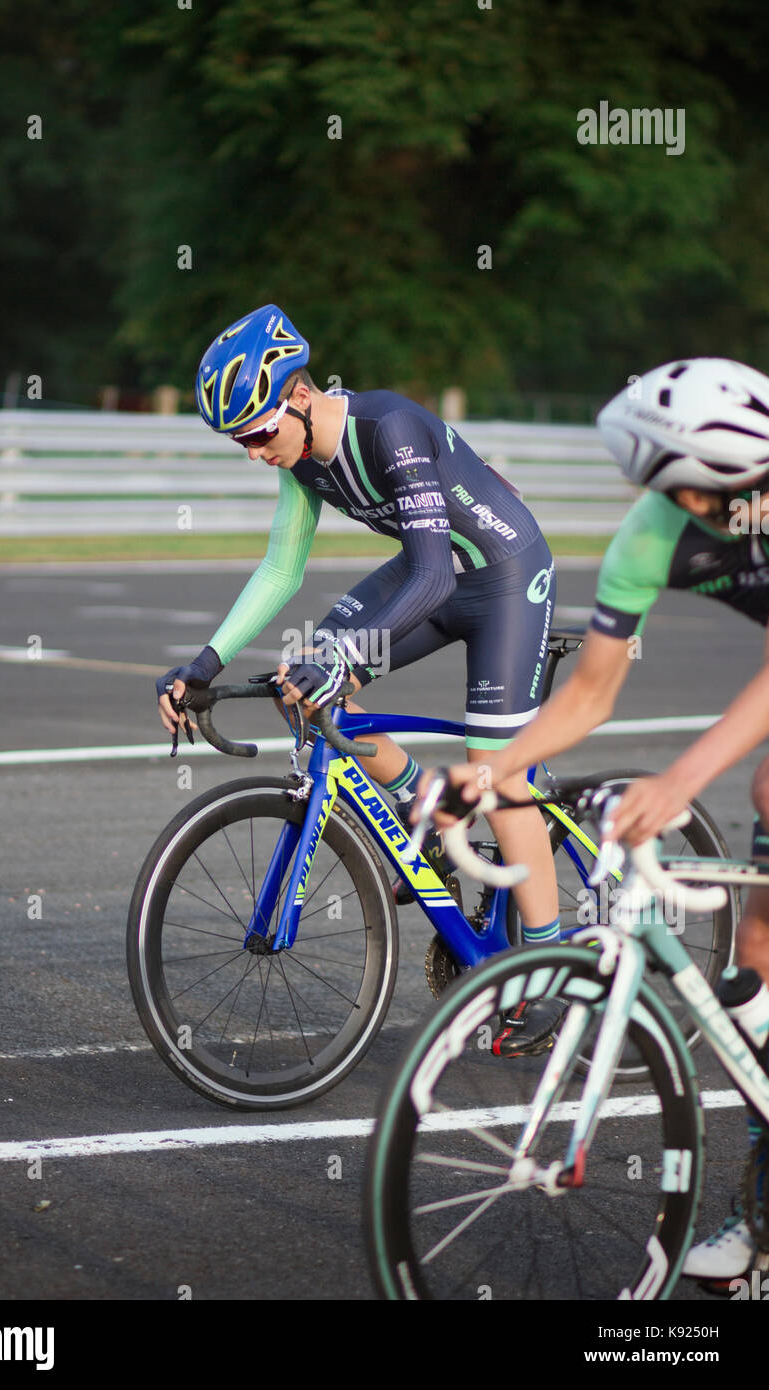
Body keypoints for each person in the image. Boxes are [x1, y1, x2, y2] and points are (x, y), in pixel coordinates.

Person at [423, 355, 769, 1278]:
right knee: (756, 985)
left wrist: (680, 781)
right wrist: (484, 772)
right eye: (676, 495)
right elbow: (590, 695)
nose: (694, 513)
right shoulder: (651, 534)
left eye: (708, 494)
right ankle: (764, 1215)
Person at [156, 302, 563, 1054]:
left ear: (300, 398)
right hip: (430, 577)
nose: (252, 452)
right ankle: (427, 819)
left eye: (256, 433)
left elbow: (437, 574)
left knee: (499, 775)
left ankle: (549, 967)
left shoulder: (387, 428)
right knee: (300, 685)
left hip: (502, 579)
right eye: (238, 441)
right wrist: (205, 663)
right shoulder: (302, 455)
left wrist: (340, 652)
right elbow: (282, 565)